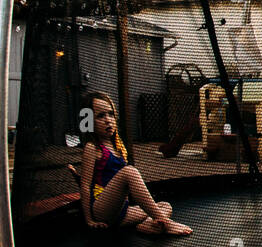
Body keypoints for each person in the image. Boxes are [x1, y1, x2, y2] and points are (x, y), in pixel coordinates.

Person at [75, 92, 192, 236]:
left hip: (122, 212)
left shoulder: (117, 147)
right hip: (102, 210)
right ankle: (166, 223)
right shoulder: (92, 147)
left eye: (111, 114)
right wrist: (89, 220)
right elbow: (85, 186)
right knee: (129, 171)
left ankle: (147, 225)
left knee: (164, 205)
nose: (108, 120)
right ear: (89, 120)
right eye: (100, 116)